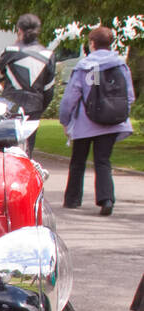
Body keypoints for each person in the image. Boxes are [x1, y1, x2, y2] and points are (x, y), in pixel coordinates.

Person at [58, 24, 135, 214]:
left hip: (86, 122)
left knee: (78, 161)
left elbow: (71, 97)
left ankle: (73, 199)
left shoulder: (85, 66)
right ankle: (106, 199)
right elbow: (129, 96)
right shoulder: (121, 65)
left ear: (92, 43)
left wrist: (65, 120)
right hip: (111, 122)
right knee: (103, 161)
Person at [0, 14, 57, 148]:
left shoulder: (10, 51)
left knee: (9, 145)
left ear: (19, 30)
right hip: (34, 105)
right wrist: (41, 107)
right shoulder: (48, 55)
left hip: (11, 104)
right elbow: (49, 89)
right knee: (28, 146)